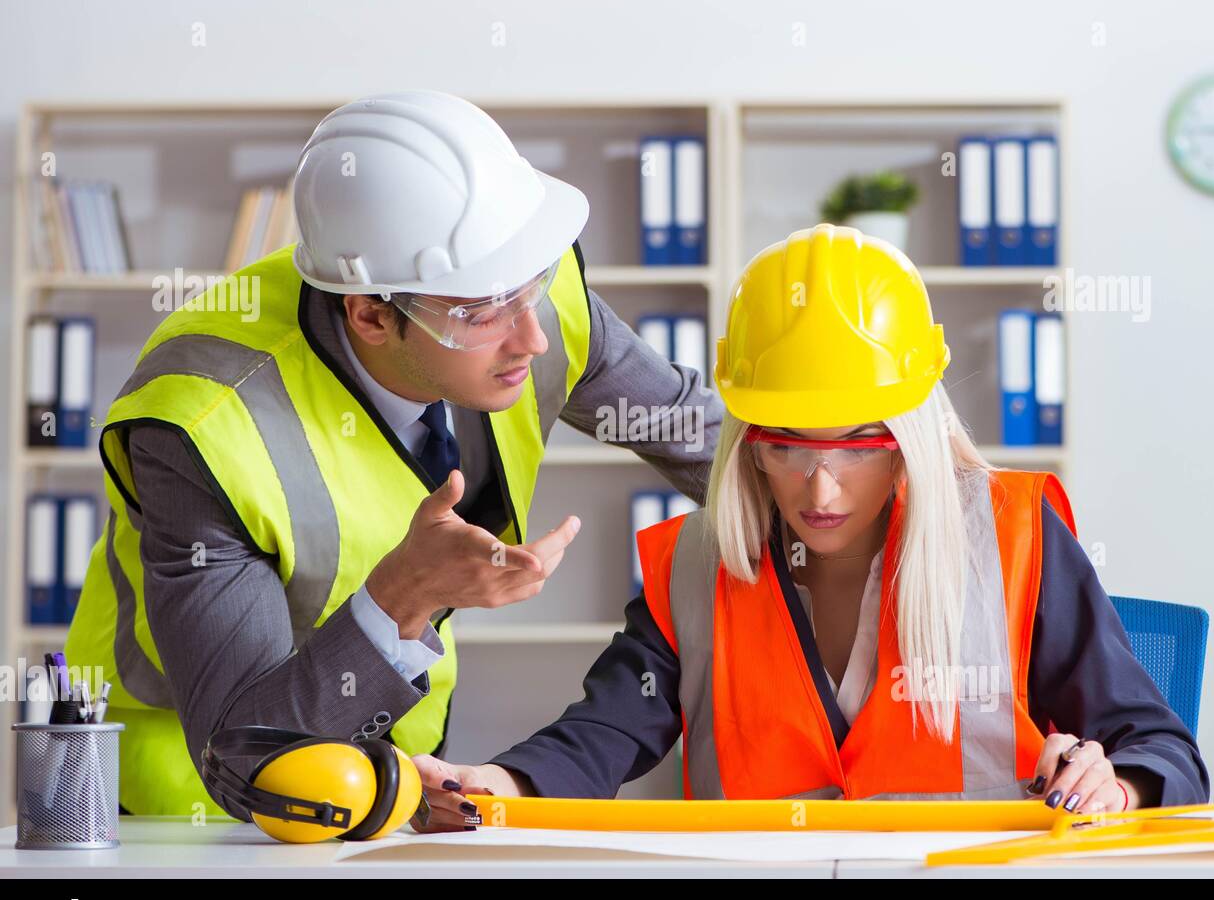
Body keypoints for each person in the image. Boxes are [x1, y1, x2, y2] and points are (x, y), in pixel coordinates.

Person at [411, 224, 1210, 828]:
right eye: (786, 446)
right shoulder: (700, 563)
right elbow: (606, 730)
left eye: (857, 447)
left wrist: (1121, 781)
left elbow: (1162, 749)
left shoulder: (1016, 535)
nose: (819, 486)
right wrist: (503, 783)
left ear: (909, 441)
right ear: (746, 440)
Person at [62, 91, 722, 817]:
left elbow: (720, 449)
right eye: (481, 312)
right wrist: (403, 595)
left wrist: (856, 463)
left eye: (528, 288)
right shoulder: (205, 426)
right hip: (192, 812)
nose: (531, 339)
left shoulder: (522, 287)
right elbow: (242, 757)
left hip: (398, 763)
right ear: (371, 313)